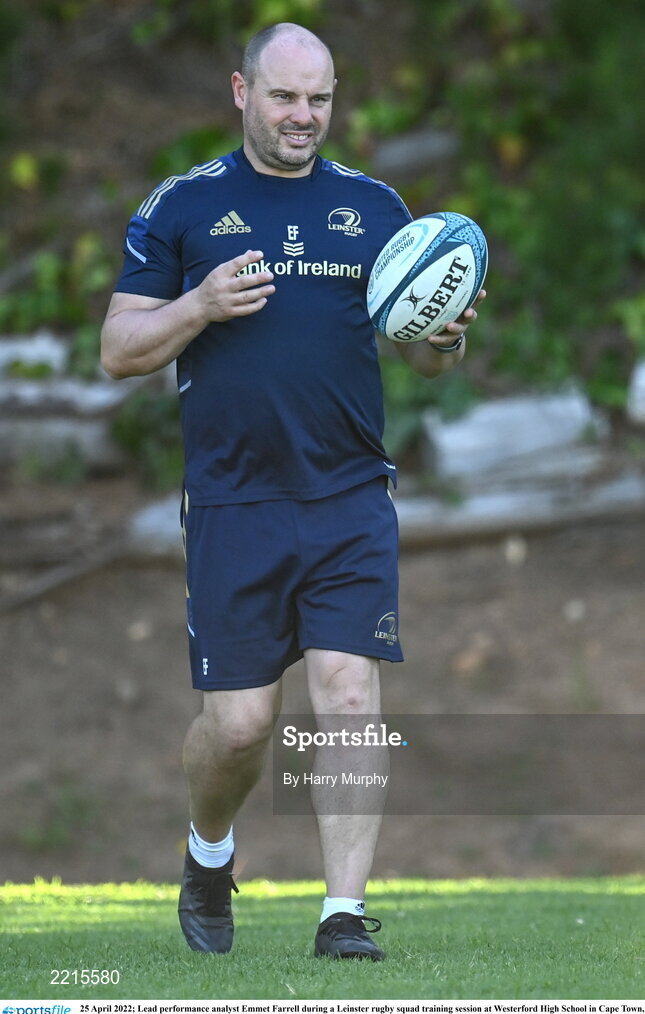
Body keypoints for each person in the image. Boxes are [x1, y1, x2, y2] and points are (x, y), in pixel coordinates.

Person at [101, 21, 484, 961]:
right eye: (284, 97)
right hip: (234, 502)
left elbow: (424, 359)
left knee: (349, 697)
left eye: (318, 99)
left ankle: (340, 915)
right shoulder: (183, 206)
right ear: (242, 92)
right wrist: (198, 305)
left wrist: (442, 334)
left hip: (349, 495)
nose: (303, 116)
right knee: (238, 728)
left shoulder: (373, 205)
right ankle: (208, 851)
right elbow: (117, 352)